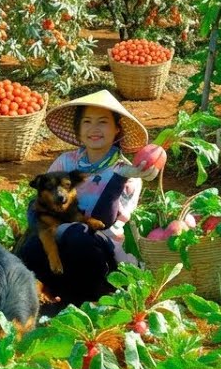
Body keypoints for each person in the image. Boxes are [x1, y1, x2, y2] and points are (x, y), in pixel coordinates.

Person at [15, 89, 157, 307]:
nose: (94, 129)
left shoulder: (127, 173)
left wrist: (118, 179)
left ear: (117, 129)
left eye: (102, 122)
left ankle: (85, 299)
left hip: (103, 252)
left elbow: (104, 221)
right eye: (87, 122)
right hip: (64, 244)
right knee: (35, 243)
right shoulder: (65, 162)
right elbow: (41, 205)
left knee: (77, 236)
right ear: (79, 129)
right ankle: (52, 292)